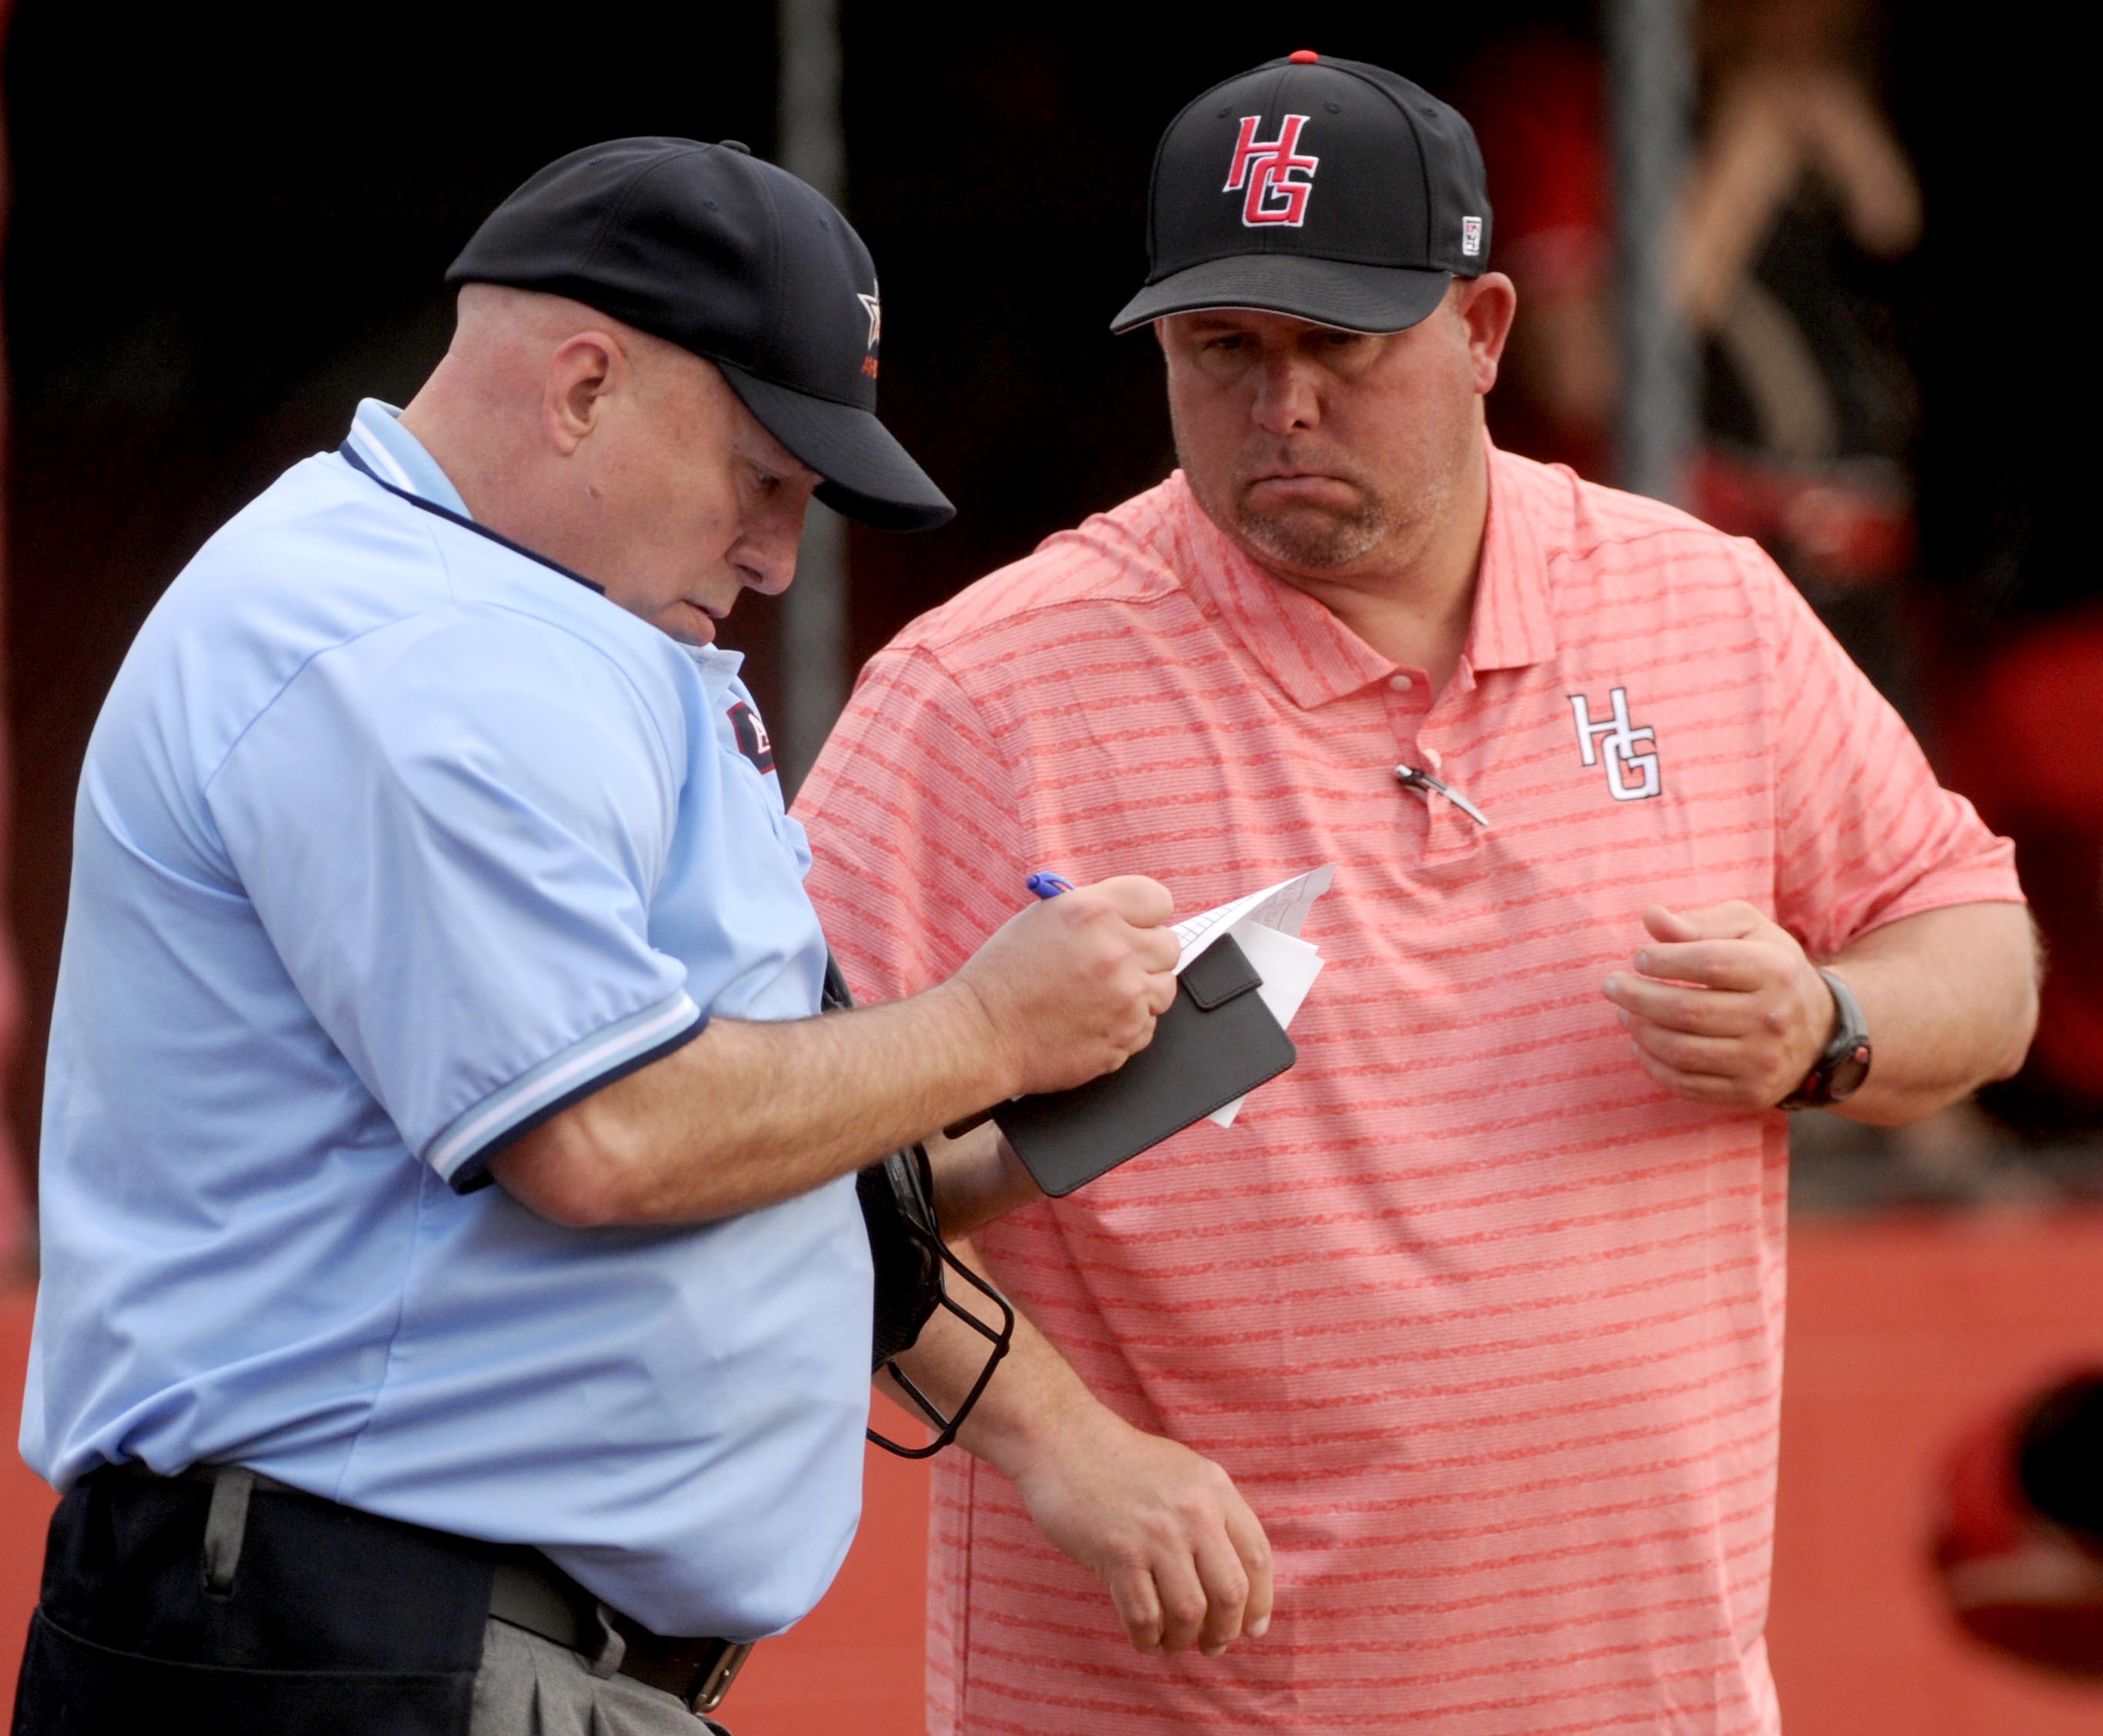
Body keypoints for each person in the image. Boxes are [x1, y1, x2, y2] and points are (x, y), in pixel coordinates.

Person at [799, 53, 2040, 1736]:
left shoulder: (1698, 607)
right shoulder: (981, 690)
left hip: (1643, 1697)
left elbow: (1974, 944)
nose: (1279, 406)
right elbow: (766, 1168)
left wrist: (1827, 1024)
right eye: (1220, 349)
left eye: (1340, 345)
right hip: (1154, 1703)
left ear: (1482, 334)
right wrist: (1061, 1446)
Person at [13, 137, 1182, 1735]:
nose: (780, 551)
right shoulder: (402, 640)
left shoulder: (525, 613)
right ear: (579, 392)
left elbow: (702, 1166)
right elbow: (609, 1137)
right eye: (762, 477)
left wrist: (1009, 1136)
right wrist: (986, 1033)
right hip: (355, 1637)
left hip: (430, 1636)